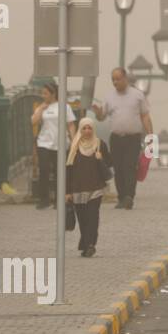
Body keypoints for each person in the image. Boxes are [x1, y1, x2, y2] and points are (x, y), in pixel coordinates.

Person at [91, 67, 153, 209]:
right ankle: (121, 197)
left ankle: (129, 196)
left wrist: (150, 135)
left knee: (130, 167)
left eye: (118, 79)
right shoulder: (109, 97)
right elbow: (102, 117)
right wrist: (98, 113)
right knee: (118, 168)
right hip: (116, 138)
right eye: (113, 79)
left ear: (125, 78)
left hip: (133, 138)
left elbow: (145, 115)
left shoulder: (137, 95)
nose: (115, 82)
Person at [66, 117, 112, 258]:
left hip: (95, 188)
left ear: (93, 129)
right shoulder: (73, 147)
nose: (87, 131)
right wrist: (67, 192)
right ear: (80, 129)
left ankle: (91, 244)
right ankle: (85, 243)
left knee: (93, 217)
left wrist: (100, 159)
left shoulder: (100, 144)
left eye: (89, 128)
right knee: (83, 218)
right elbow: (68, 170)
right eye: (84, 128)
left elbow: (109, 163)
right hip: (78, 189)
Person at [32, 82, 77, 210]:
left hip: (61, 144)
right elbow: (34, 121)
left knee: (60, 172)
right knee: (44, 170)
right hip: (44, 142)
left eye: (46, 93)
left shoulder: (64, 107)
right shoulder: (42, 107)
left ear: (54, 94)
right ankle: (44, 199)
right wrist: (41, 109)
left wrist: (73, 140)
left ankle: (59, 200)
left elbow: (71, 124)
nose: (43, 95)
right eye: (42, 93)